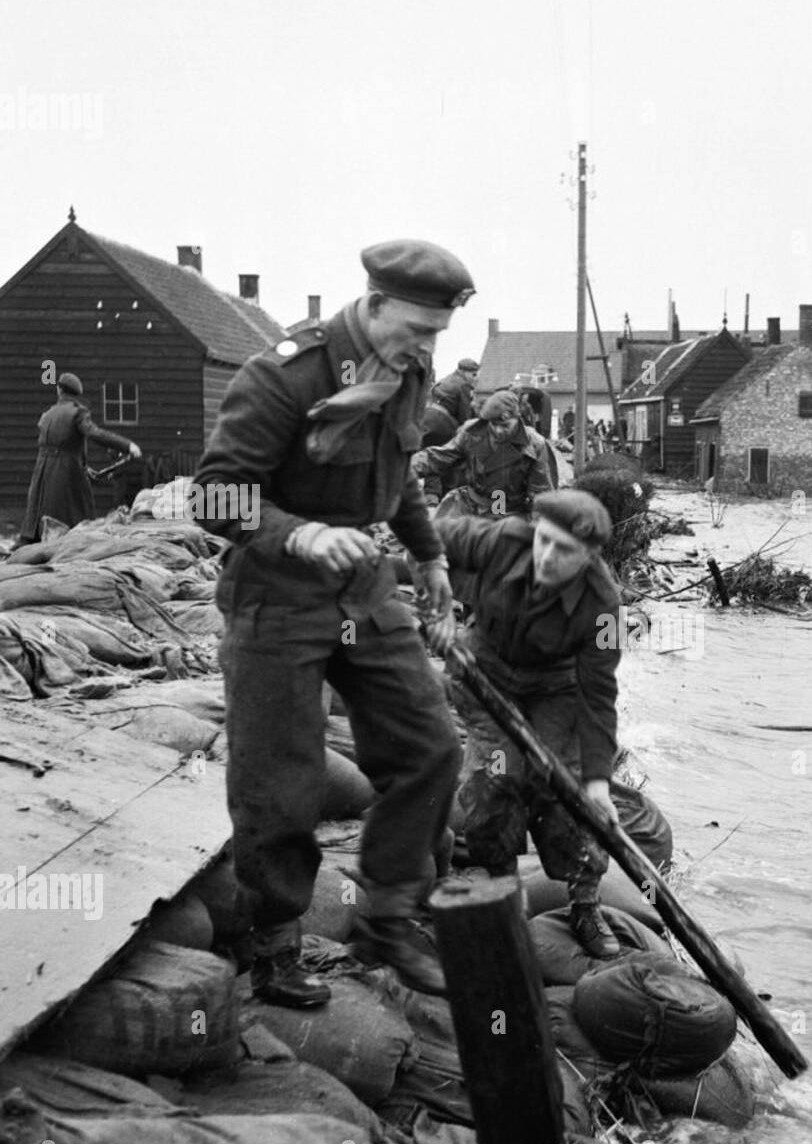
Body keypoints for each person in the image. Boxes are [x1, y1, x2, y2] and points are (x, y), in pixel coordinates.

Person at [191, 239, 473, 1007]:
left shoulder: (405, 373)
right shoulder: (284, 374)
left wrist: (432, 556)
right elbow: (213, 495)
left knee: (430, 748)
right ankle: (274, 942)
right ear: (374, 305)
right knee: (279, 783)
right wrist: (302, 533)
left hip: (362, 589)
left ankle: (386, 914)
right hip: (275, 595)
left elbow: (399, 477)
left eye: (436, 335)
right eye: (416, 329)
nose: (427, 349)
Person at [428, 489, 624, 959]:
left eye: (565, 551)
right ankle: (503, 887)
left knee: (564, 786)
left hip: (556, 688)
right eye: (545, 541)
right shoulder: (503, 539)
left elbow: (599, 695)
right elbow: (427, 540)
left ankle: (584, 903)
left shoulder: (605, 605)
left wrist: (598, 782)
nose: (548, 556)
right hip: (485, 671)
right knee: (495, 775)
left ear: (590, 555)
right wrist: (437, 608)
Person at [17, 373, 141, 544]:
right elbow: (94, 433)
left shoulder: (47, 414)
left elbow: (59, 444)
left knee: (38, 522)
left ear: (59, 390)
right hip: (67, 475)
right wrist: (127, 445)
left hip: (42, 474)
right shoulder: (77, 412)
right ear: (76, 394)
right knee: (77, 523)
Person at [414, 388, 554, 519]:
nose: (498, 430)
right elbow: (439, 457)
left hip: (508, 512)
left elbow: (540, 494)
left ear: (517, 418)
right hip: (469, 506)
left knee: (498, 541)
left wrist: (538, 527)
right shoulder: (472, 432)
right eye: (493, 424)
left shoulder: (534, 444)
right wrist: (406, 469)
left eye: (505, 425)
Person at [421, 357, 479, 448]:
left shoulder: (445, 379)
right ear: (464, 372)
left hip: (425, 417)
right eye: (473, 375)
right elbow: (464, 416)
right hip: (441, 425)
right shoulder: (464, 386)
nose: (475, 379)